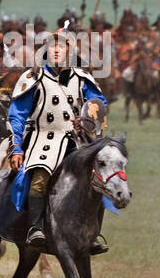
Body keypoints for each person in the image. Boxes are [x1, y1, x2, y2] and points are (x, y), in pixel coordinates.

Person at [8, 24, 107, 251]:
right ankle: (35, 228)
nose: (56, 50)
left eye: (61, 47)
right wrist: (16, 148)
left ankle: (91, 233)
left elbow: (98, 105)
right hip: (43, 137)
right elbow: (17, 115)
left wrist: (87, 120)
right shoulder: (33, 77)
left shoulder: (82, 78)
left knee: (97, 178)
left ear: (69, 52)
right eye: (52, 46)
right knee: (40, 174)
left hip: (74, 139)